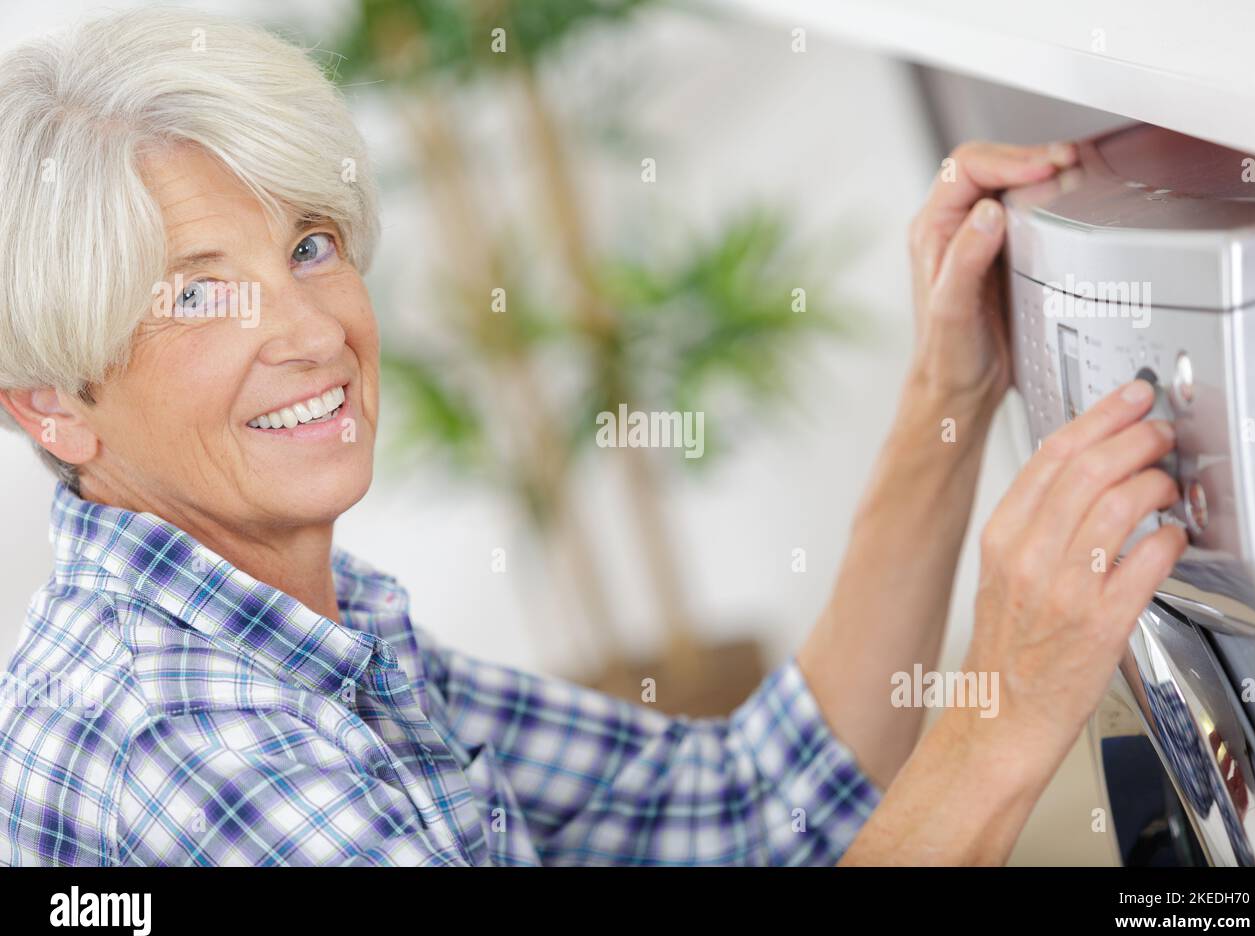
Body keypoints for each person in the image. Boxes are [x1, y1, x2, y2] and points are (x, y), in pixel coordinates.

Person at [0, 9, 1185, 866]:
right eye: (198, 293)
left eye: (308, 248)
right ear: (50, 401)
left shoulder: (312, 634)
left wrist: (949, 393)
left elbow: (751, 808)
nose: (310, 330)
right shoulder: (198, 742)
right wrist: (1010, 705)